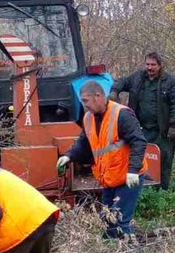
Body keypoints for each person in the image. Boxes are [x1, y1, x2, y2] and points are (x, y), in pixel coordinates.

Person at [58, 80, 147, 238]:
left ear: (98, 96)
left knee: (119, 222)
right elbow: (84, 142)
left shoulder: (122, 114)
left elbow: (138, 141)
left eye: (86, 100)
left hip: (127, 178)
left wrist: (133, 171)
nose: (84, 105)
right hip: (109, 178)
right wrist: (69, 156)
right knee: (107, 220)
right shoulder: (88, 118)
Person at [111, 52, 175, 189]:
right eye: (147, 64)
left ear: (160, 66)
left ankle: (161, 191)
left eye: (153, 65)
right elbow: (121, 81)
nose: (149, 67)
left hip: (162, 131)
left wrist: (173, 125)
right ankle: (140, 190)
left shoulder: (169, 81)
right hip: (141, 129)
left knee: (163, 162)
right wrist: (115, 91)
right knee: (139, 160)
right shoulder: (137, 78)